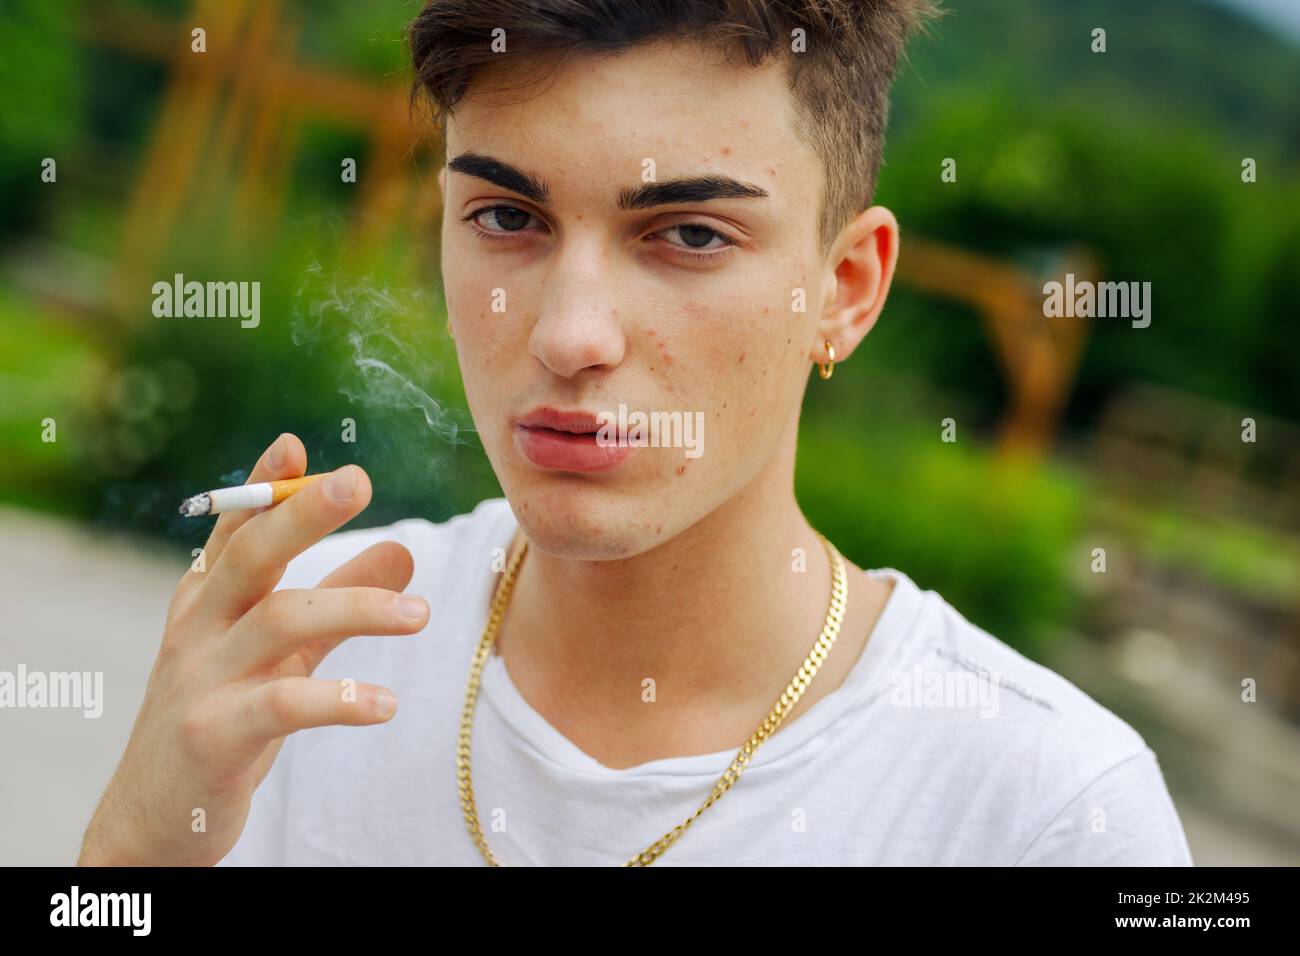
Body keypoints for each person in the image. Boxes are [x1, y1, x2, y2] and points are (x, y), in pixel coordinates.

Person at [77, 0, 1193, 866]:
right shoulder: (304, 650)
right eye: (507, 217)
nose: (570, 333)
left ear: (846, 288)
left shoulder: (1050, 808)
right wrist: (133, 845)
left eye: (689, 236)